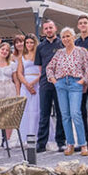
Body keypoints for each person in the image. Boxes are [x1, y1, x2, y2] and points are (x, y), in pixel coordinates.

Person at [46, 27, 88, 156]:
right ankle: (70, 144)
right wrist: (54, 81)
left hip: (75, 83)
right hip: (61, 84)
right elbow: (49, 68)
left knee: (75, 113)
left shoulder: (82, 51)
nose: (66, 39)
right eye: (63, 37)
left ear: (73, 37)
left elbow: (87, 70)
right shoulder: (59, 53)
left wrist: (82, 81)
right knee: (65, 115)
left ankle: (83, 144)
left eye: (68, 36)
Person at [35, 19, 66, 153]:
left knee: (61, 113)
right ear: (43, 31)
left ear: (55, 28)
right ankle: (41, 143)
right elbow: (40, 67)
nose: (48, 30)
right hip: (45, 84)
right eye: (46, 28)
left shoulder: (62, 44)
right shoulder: (40, 47)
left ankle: (61, 142)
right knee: (44, 114)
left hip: (60, 84)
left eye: (50, 27)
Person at [74, 15, 88, 149]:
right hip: (78, 83)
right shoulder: (75, 43)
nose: (83, 25)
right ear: (78, 26)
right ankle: (84, 142)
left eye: (85, 23)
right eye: (80, 23)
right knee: (80, 113)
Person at [17, 33, 41, 144]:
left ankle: (36, 136)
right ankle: (25, 137)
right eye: (27, 42)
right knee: (26, 111)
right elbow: (19, 73)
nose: (29, 44)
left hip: (37, 84)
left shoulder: (38, 55)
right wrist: (27, 84)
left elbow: (42, 72)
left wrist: (33, 83)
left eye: (31, 42)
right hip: (25, 86)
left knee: (36, 111)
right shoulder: (22, 56)